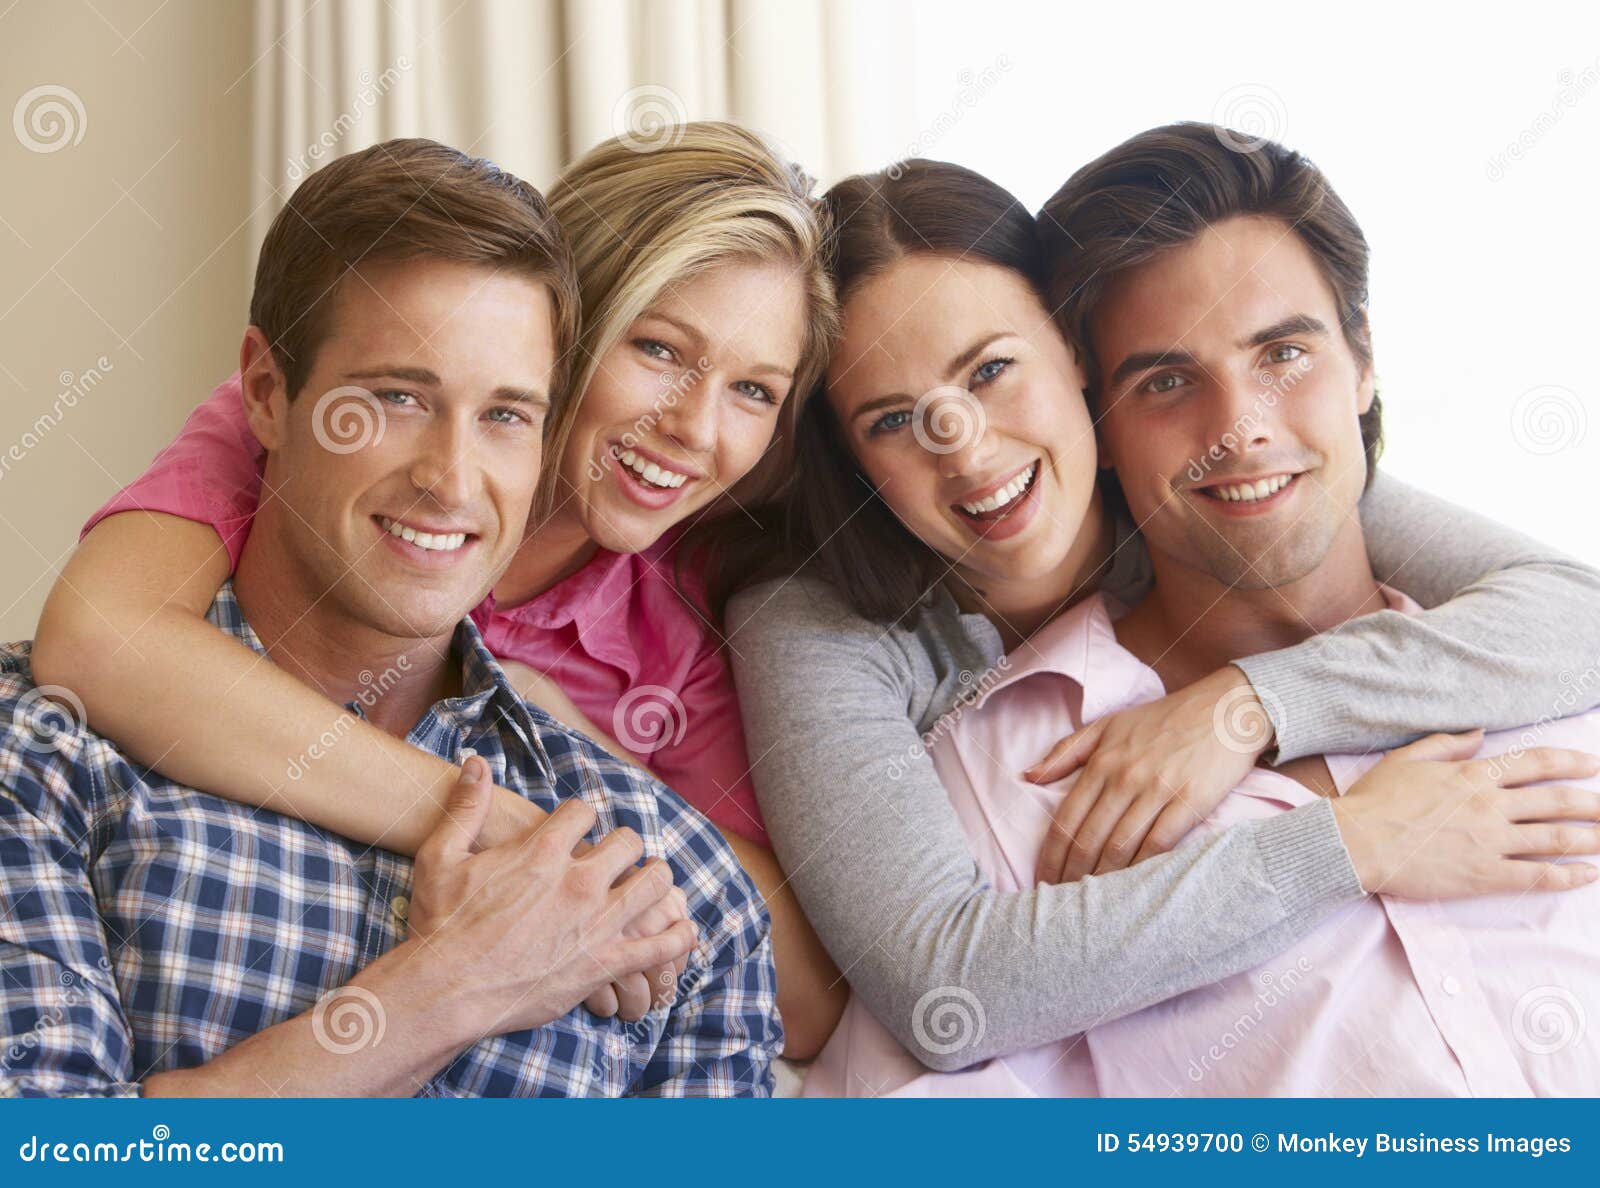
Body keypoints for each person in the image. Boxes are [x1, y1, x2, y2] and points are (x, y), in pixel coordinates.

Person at [725, 142, 1600, 1075]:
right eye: (893, 420)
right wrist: (1350, 844)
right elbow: (944, 985)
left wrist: (1247, 704)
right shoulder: (833, 639)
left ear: (1074, 370)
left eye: (992, 370)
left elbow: (1574, 611)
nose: (968, 451)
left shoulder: (1257, 487)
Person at [30, 123, 845, 1053]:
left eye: (755, 391)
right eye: (658, 350)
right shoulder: (327, 421)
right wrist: (500, 822)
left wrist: (571, 745)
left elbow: (799, 998)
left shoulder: (681, 615)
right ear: (560, 329)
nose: (694, 428)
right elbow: (98, 644)